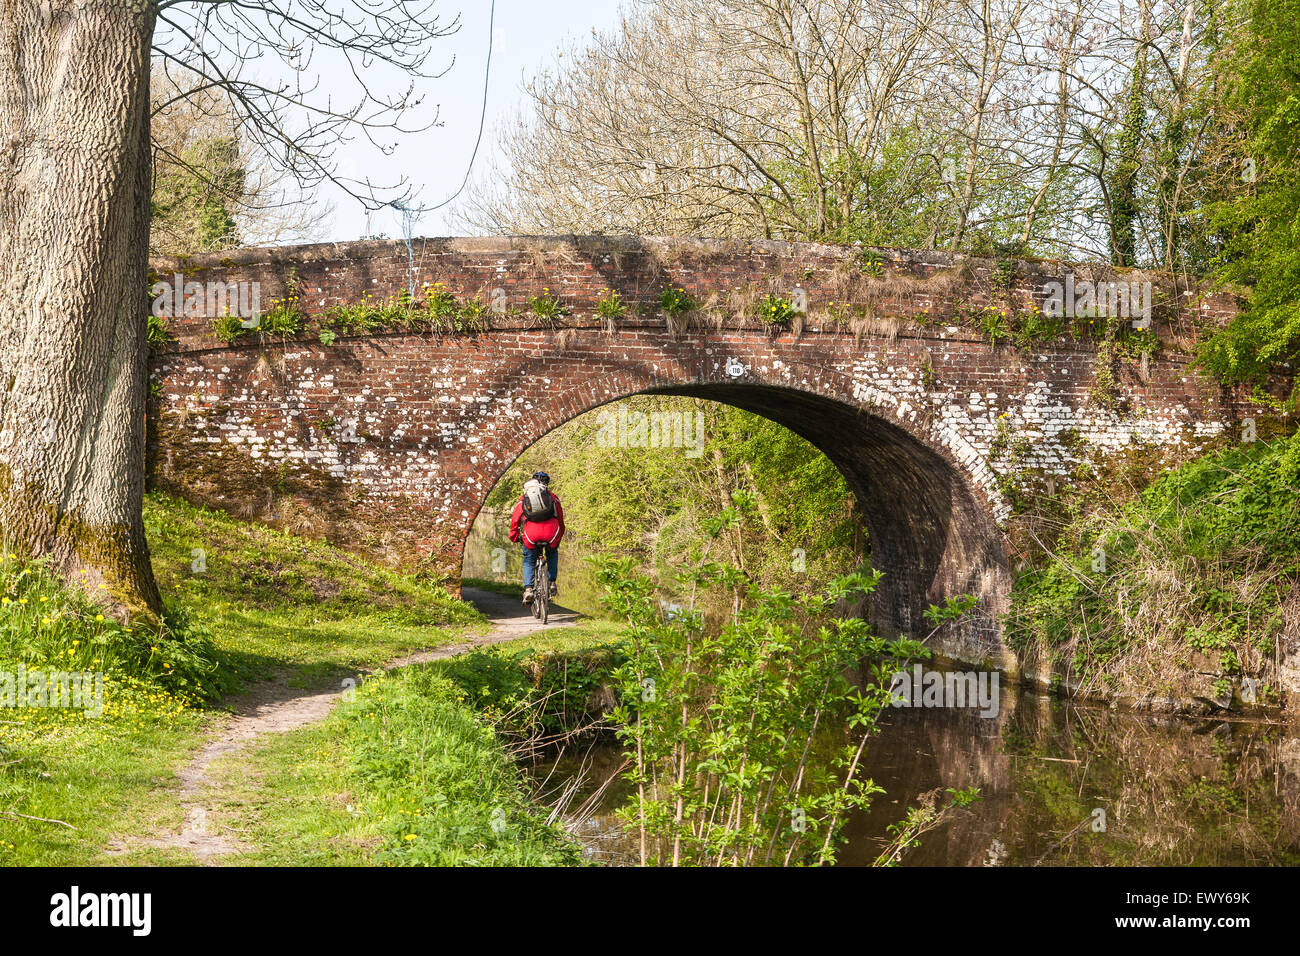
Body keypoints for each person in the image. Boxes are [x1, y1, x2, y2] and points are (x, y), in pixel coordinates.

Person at [508, 471, 565, 604]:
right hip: (551, 533)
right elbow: (560, 519)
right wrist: (559, 535)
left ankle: (528, 589)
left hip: (531, 534)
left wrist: (514, 536)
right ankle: (551, 583)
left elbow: (515, 520)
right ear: (547, 483)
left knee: (528, 559)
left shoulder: (525, 497)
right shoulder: (552, 497)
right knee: (552, 553)